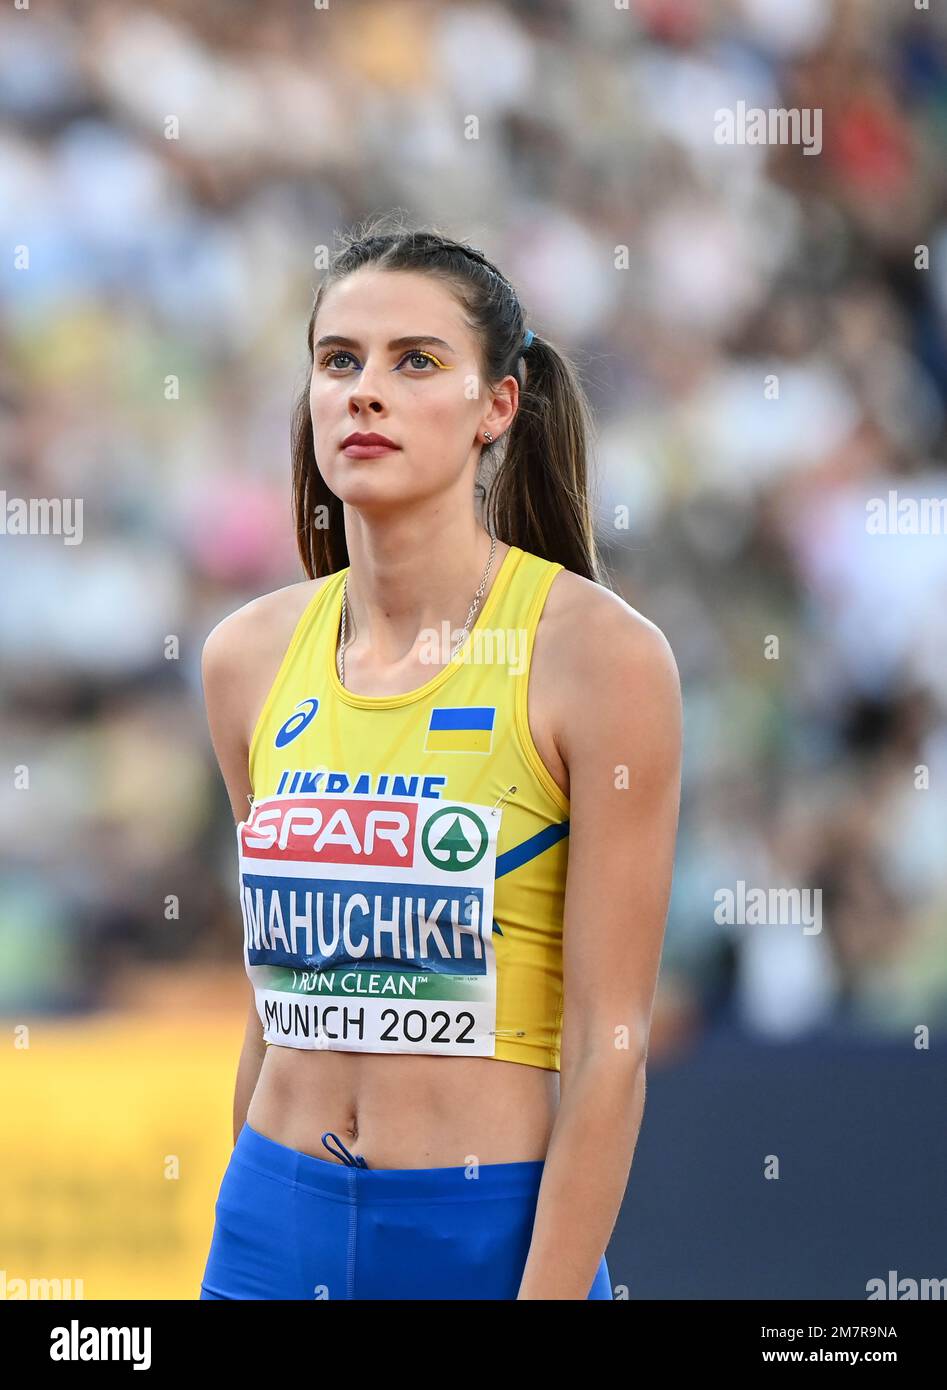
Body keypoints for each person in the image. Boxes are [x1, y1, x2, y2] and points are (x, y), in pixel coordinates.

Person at [198, 219, 682, 1301]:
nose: (364, 391)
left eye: (414, 360)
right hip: (269, 1227)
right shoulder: (244, 657)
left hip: (482, 1236)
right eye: (339, 360)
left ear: (494, 407)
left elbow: (608, 1049)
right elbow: (272, 1000)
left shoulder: (599, 658)